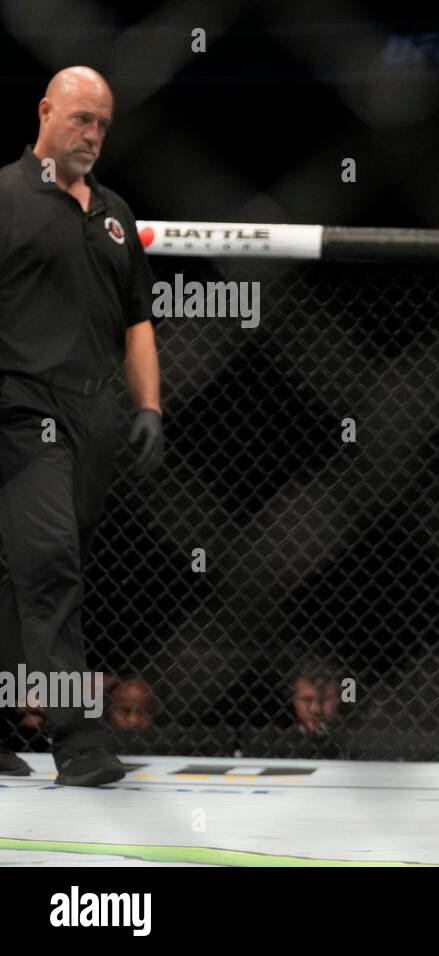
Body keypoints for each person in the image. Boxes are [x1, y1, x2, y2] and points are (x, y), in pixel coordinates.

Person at [0, 66, 163, 787]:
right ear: (45, 112)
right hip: (21, 411)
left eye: (102, 122)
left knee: (20, 579)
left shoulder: (116, 215)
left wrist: (151, 408)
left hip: (94, 420)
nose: (93, 134)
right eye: (80, 119)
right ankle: (77, 739)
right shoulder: (4, 196)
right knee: (51, 566)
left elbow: (138, 322)